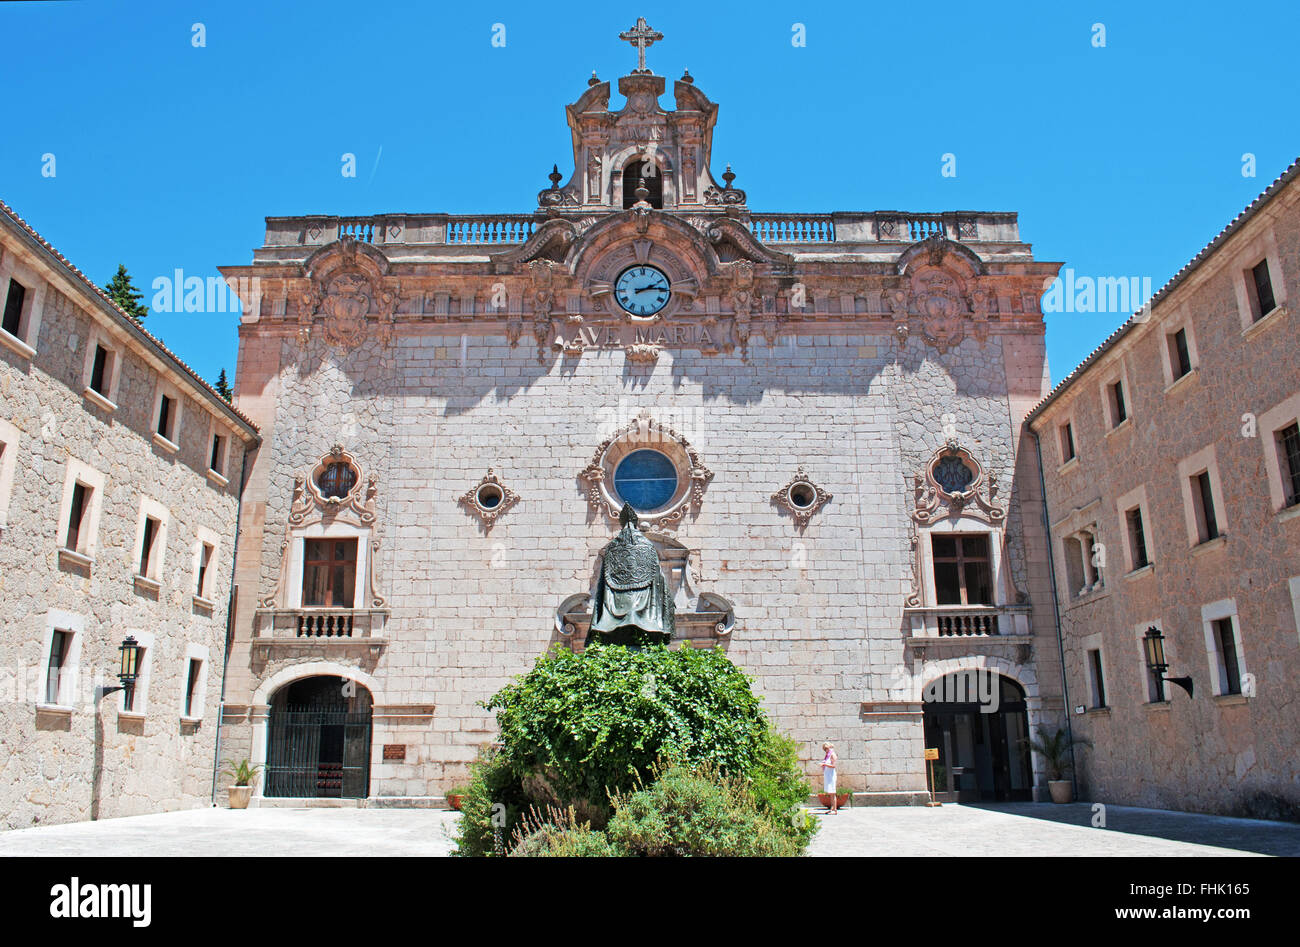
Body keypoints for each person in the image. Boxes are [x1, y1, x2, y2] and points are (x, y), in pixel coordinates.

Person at [820, 742, 839, 814]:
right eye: (825, 749)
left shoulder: (832, 755)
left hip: (831, 775)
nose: (826, 750)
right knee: (830, 792)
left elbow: (833, 765)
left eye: (826, 749)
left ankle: (835, 810)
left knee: (833, 792)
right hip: (828, 775)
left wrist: (825, 764)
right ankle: (832, 808)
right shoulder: (827, 755)